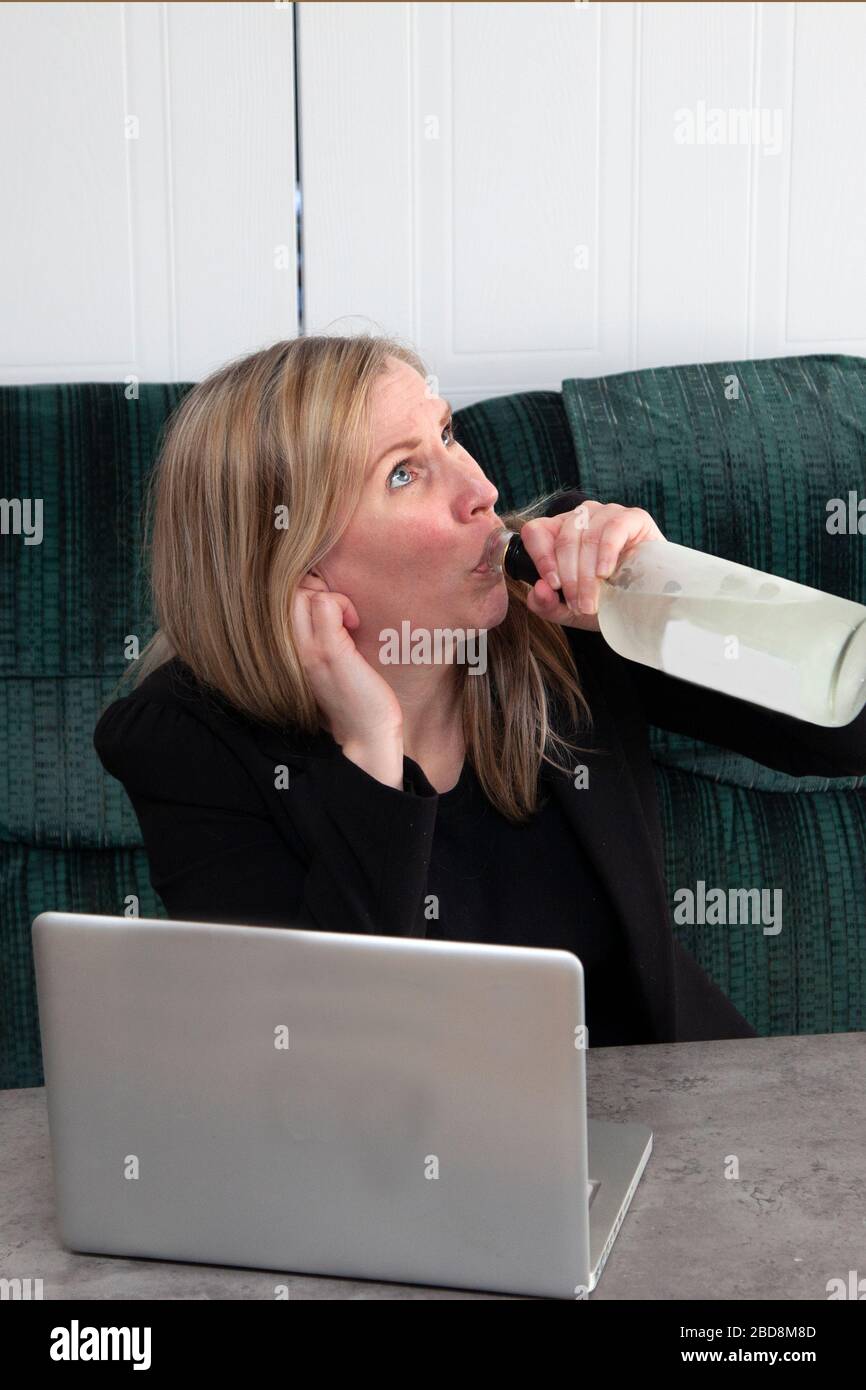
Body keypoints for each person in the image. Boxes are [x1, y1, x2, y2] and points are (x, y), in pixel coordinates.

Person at [93, 335, 866, 1046]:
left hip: (672, 1111)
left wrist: (676, 599)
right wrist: (371, 747)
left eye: (448, 435)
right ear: (299, 568)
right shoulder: (184, 740)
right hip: (408, 1168)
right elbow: (314, 1054)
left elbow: (848, 734)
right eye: (404, 473)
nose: (483, 490)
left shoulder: (564, 591)